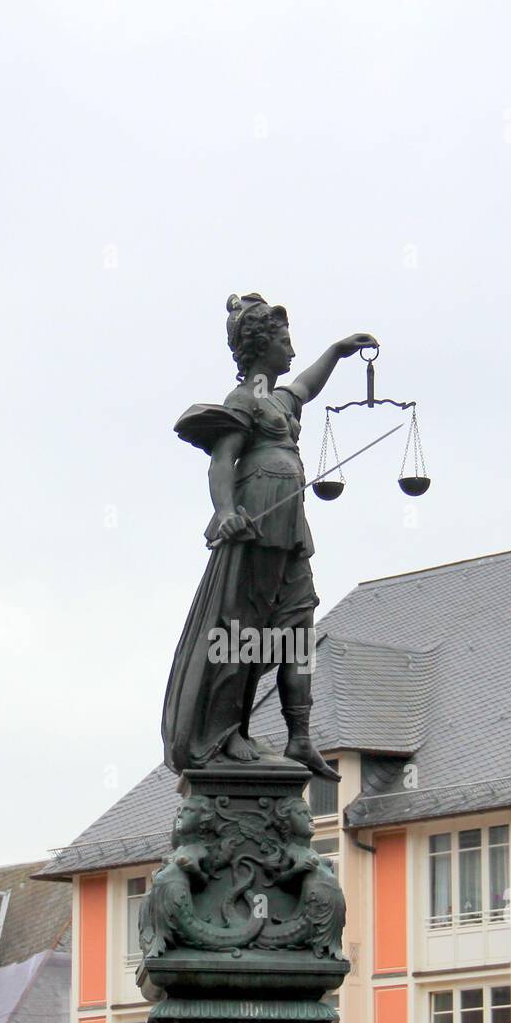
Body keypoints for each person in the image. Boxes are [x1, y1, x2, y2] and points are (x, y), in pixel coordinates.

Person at [163, 293, 376, 779]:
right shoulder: (244, 401)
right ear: (262, 346)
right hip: (259, 521)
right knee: (245, 631)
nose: (293, 352)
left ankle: (299, 736)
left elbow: (305, 385)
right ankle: (225, 730)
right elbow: (222, 461)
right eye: (285, 341)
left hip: (291, 526)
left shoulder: (278, 401)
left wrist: (339, 352)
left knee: (299, 625)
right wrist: (226, 511)